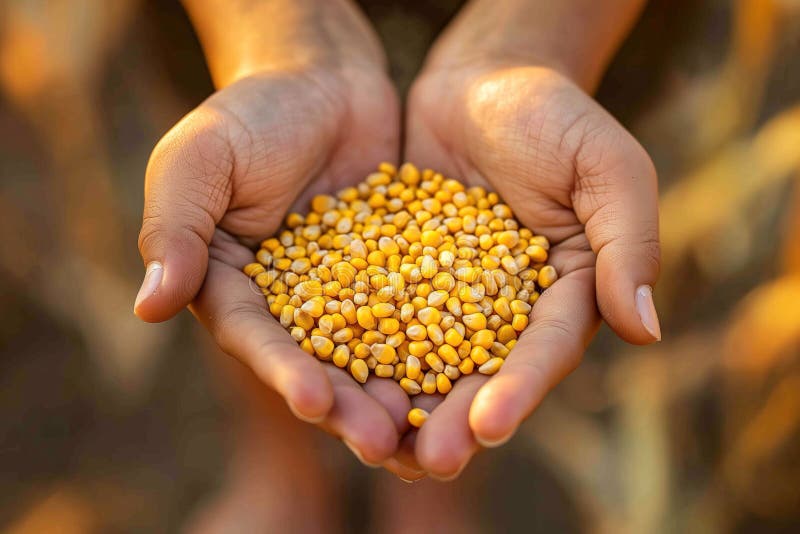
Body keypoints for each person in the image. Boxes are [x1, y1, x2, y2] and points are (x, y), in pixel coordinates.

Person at [133, 0, 660, 514]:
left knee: (461, 409)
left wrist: (532, 40)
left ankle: (432, 494)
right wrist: (282, 36)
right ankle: (286, 477)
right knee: (244, 226)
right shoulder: (312, 259)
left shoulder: (474, 272)